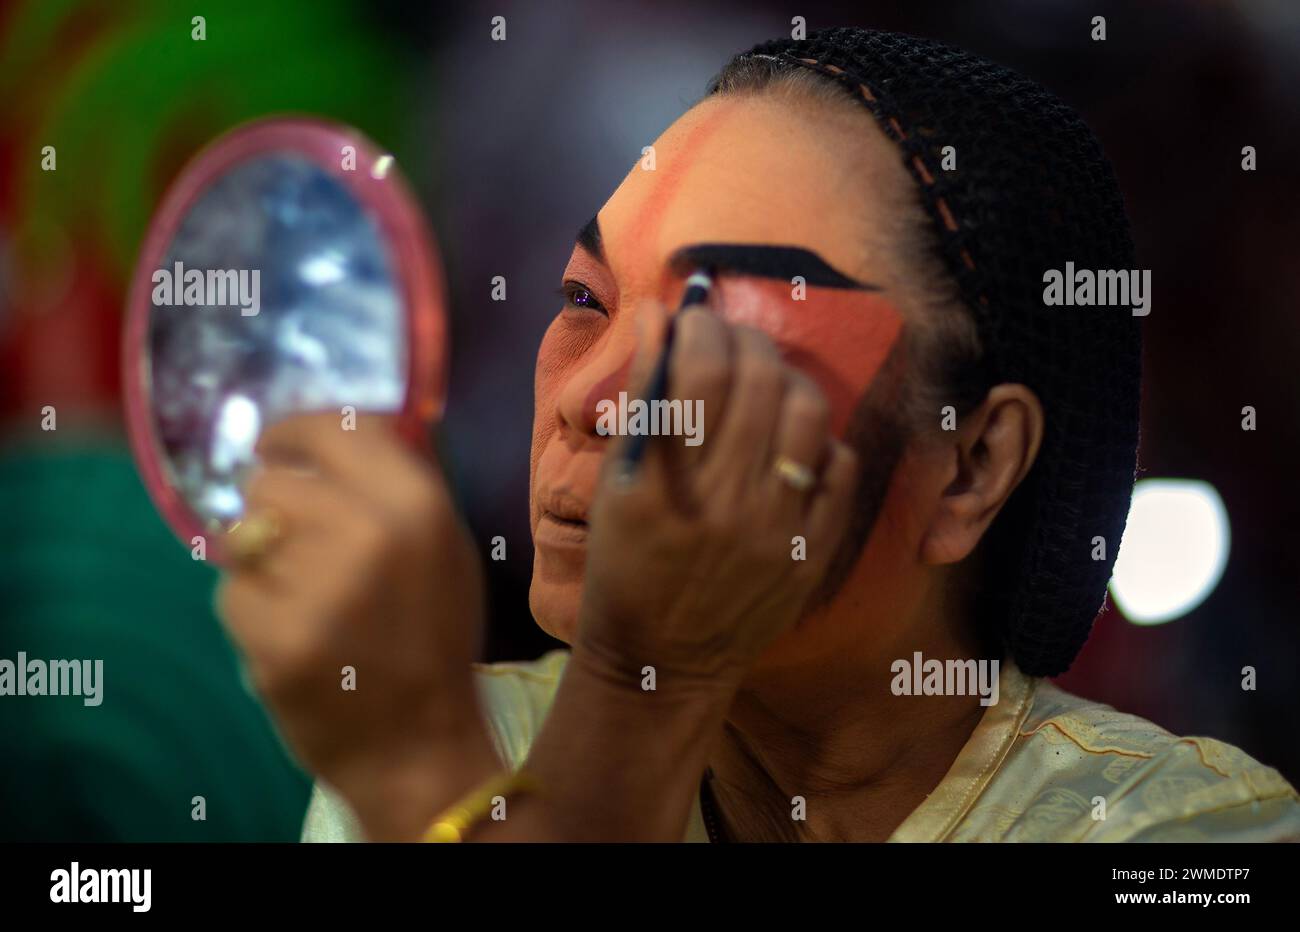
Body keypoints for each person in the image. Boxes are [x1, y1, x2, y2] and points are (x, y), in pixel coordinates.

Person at [218, 28, 1300, 842]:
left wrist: (621, 699)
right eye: (585, 300)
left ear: (967, 467)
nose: (589, 396)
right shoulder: (474, 733)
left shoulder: (1177, 830)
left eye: (719, 342)